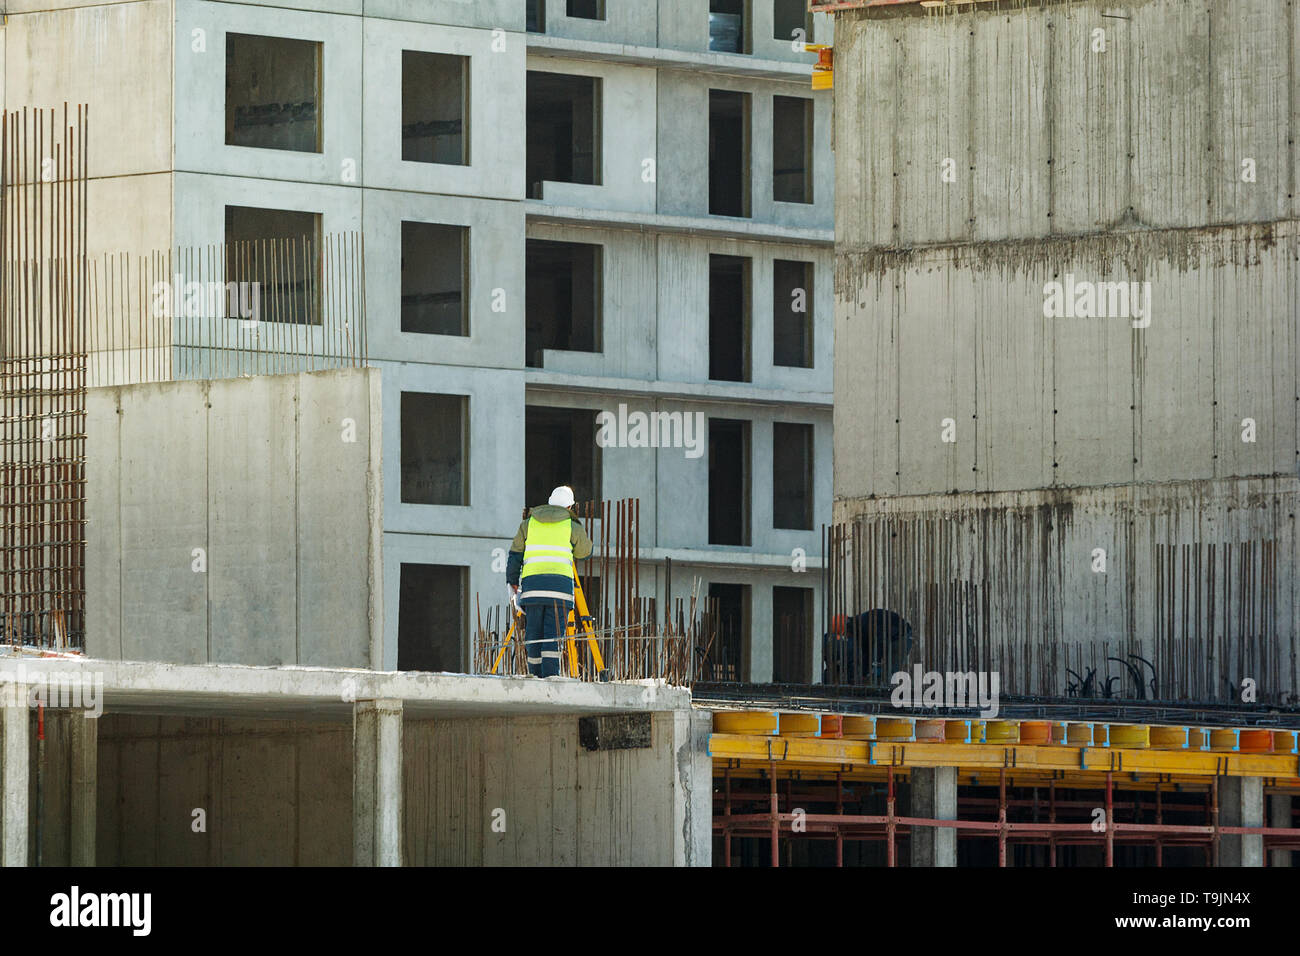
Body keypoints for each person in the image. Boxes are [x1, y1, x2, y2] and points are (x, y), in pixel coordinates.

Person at [505, 485, 593, 678]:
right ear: (570, 506)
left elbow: (515, 555)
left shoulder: (528, 523)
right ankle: (550, 678)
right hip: (559, 592)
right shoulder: (572, 526)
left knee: (534, 636)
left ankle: (534, 676)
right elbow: (585, 552)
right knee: (552, 637)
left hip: (533, 590)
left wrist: (512, 581)